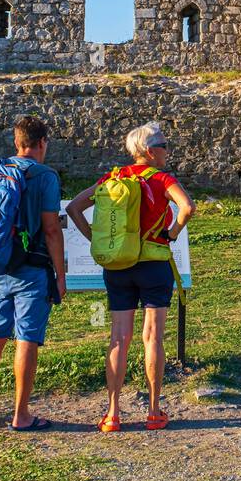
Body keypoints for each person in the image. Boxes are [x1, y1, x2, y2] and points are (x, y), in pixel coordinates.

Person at [66, 122, 195, 433]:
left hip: (118, 266)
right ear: (150, 151)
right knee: (152, 338)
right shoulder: (162, 178)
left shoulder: (112, 178)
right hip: (153, 265)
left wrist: (95, 238)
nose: (167, 150)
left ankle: (112, 414)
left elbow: (73, 207)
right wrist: (172, 234)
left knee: (118, 339)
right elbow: (187, 208)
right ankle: (153, 411)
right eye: (164, 145)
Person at [0, 115, 66, 432]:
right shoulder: (45, 176)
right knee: (27, 338)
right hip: (31, 271)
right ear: (42, 143)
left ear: (16, 142)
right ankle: (21, 415)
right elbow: (51, 230)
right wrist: (60, 276)